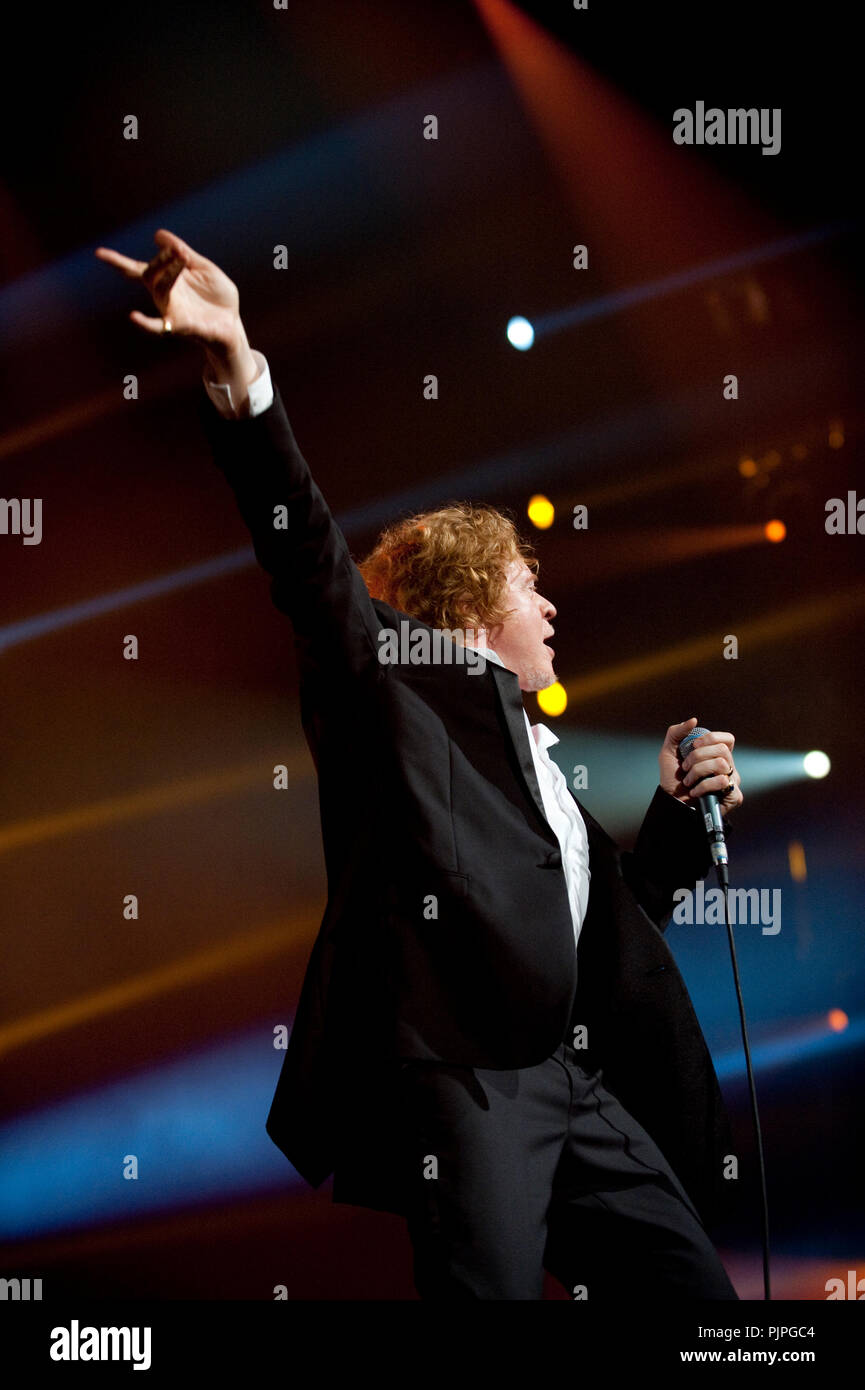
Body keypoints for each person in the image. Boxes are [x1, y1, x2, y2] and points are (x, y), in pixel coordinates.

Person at [97, 230, 744, 1300]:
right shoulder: (400, 694)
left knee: (697, 1298)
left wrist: (675, 819)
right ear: (470, 602)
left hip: (572, 1082)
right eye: (527, 582)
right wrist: (238, 369)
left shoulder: (539, 768)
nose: (548, 604)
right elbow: (307, 561)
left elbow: (614, 925)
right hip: (470, 1080)